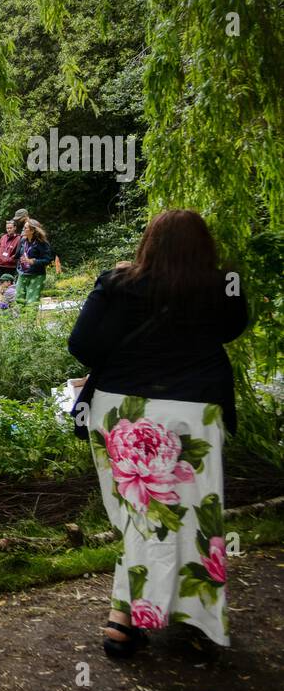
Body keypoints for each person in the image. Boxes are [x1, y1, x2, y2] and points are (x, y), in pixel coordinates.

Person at [68, 210, 248, 659]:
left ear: (148, 242)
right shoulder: (225, 284)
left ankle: (125, 622)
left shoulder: (117, 284)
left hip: (121, 410)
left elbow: (83, 346)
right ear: (204, 247)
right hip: (193, 411)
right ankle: (185, 614)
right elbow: (233, 328)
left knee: (141, 518)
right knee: (192, 519)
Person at [14, 219, 53, 307]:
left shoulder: (42, 243)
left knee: (32, 302)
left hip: (37, 276)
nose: (23, 229)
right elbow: (18, 255)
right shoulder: (23, 241)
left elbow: (48, 260)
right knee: (18, 299)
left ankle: (29, 320)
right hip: (22, 274)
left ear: (32, 230)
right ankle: (20, 320)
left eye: (25, 228)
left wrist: (33, 261)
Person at [0, 220, 20, 284]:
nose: (9, 230)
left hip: (10, 267)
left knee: (9, 286)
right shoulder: (3, 237)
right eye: (7, 228)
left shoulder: (19, 238)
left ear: (15, 228)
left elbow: (18, 253)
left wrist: (9, 259)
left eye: (10, 228)